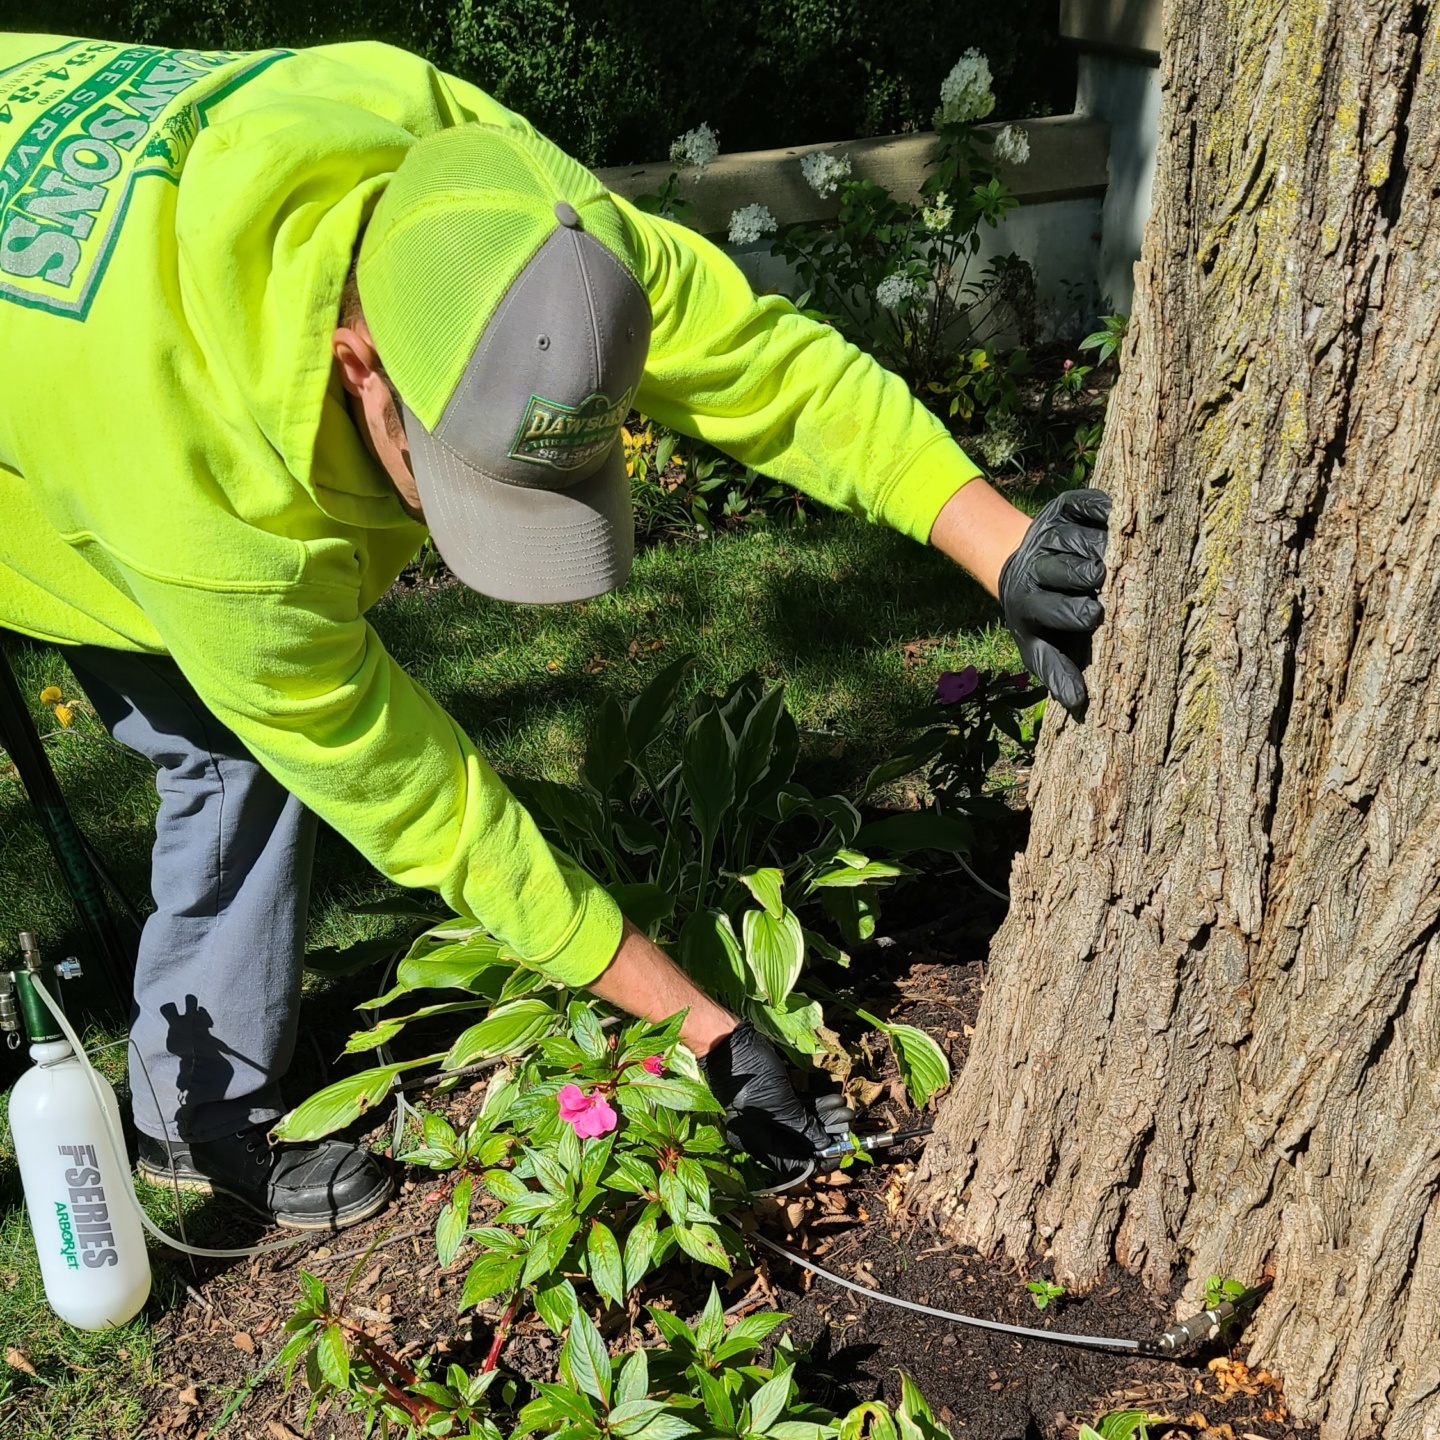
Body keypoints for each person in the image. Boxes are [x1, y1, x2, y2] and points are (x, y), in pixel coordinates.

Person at [0, 34, 1108, 1229]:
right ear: (358, 364)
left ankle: (179, 1104)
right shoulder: (202, 501)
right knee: (231, 748)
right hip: (72, 402)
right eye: (453, 469)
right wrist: (703, 1023)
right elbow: (428, 804)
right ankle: (196, 1120)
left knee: (235, 752)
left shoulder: (504, 207)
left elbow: (756, 366)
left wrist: (1003, 547)